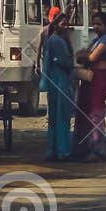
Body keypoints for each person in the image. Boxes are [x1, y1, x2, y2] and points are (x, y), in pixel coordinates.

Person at [74, 12, 106, 159]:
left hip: (100, 78)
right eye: (94, 23)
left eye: (99, 24)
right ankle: (86, 147)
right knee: (86, 112)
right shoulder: (96, 39)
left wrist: (84, 56)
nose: (95, 27)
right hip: (90, 78)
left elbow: (91, 56)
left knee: (95, 113)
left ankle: (97, 149)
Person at [40, 12, 76, 162]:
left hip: (53, 81)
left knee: (54, 117)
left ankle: (52, 149)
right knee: (62, 117)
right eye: (63, 24)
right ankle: (63, 151)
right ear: (55, 25)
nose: (65, 26)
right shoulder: (58, 41)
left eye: (66, 24)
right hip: (61, 80)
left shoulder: (51, 40)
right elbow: (66, 62)